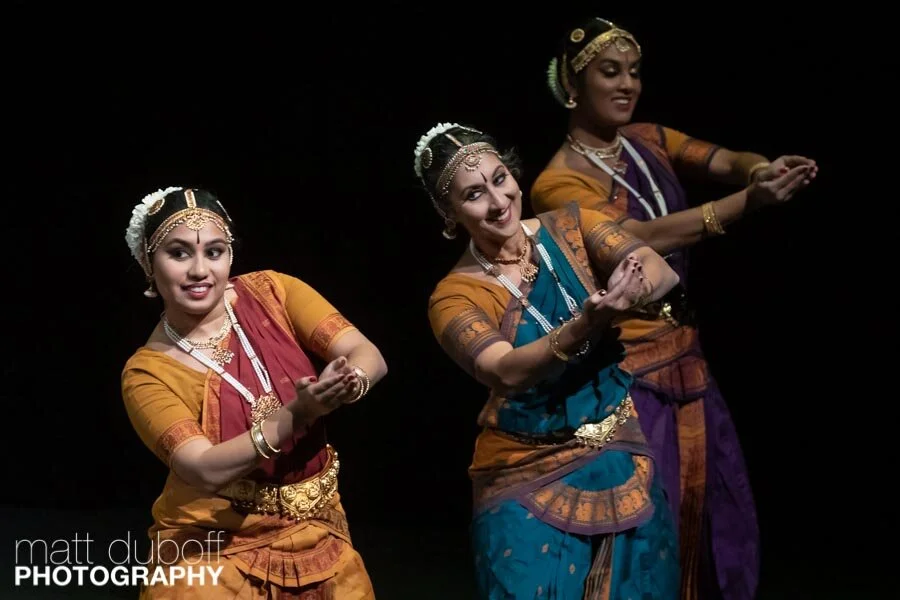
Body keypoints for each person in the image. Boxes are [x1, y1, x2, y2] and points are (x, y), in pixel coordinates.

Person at [531, 17, 818, 600]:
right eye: (610, 73)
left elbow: (723, 158)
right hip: (628, 376)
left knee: (715, 510)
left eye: (634, 73)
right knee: (647, 523)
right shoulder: (555, 185)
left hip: (687, 356)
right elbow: (638, 234)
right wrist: (743, 205)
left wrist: (760, 169)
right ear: (572, 85)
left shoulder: (648, 140)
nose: (627, 84)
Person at [419, 122, 682, 599]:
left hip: (619, 447)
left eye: (500, 180)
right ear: (449, 212)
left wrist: (632, 290)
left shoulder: (573, 227)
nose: (498, 202)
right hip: (525, 469)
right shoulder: (453, 296)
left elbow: (657, 269)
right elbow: (505, 369)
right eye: (475, 194)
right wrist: (586, 324)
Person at [121, 186, 387, 598]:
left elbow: (366, 353)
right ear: (147, 264)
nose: (199, 271)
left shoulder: (273, 292)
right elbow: (204, 468)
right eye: (178, 253)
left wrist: (348, 382)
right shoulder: (148, 372)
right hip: (213, 543)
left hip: (317, 526)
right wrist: (298, 413)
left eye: (214, 251)